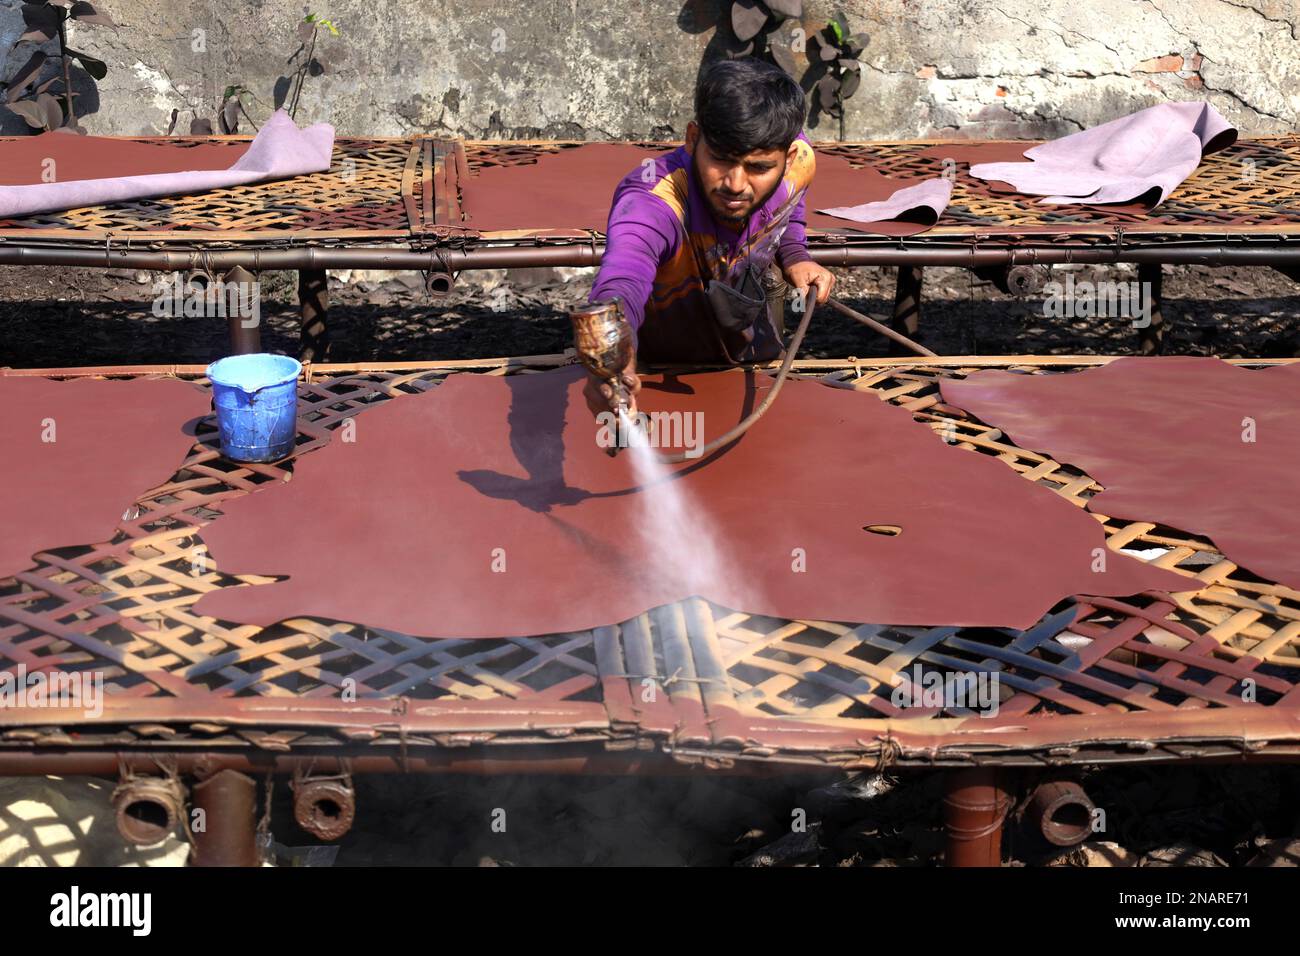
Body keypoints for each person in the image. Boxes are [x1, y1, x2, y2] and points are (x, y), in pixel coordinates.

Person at [581, 57, 835, 419]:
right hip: (662, 371)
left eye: (759, 168)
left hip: (749, 362)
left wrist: (795, 253)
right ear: (693, 138)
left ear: (788, 158)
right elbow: (624, 275)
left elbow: (791, 203)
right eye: (719, 159)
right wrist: (614, 355)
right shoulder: (654, 198)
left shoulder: (801, 162)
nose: (735, 184)